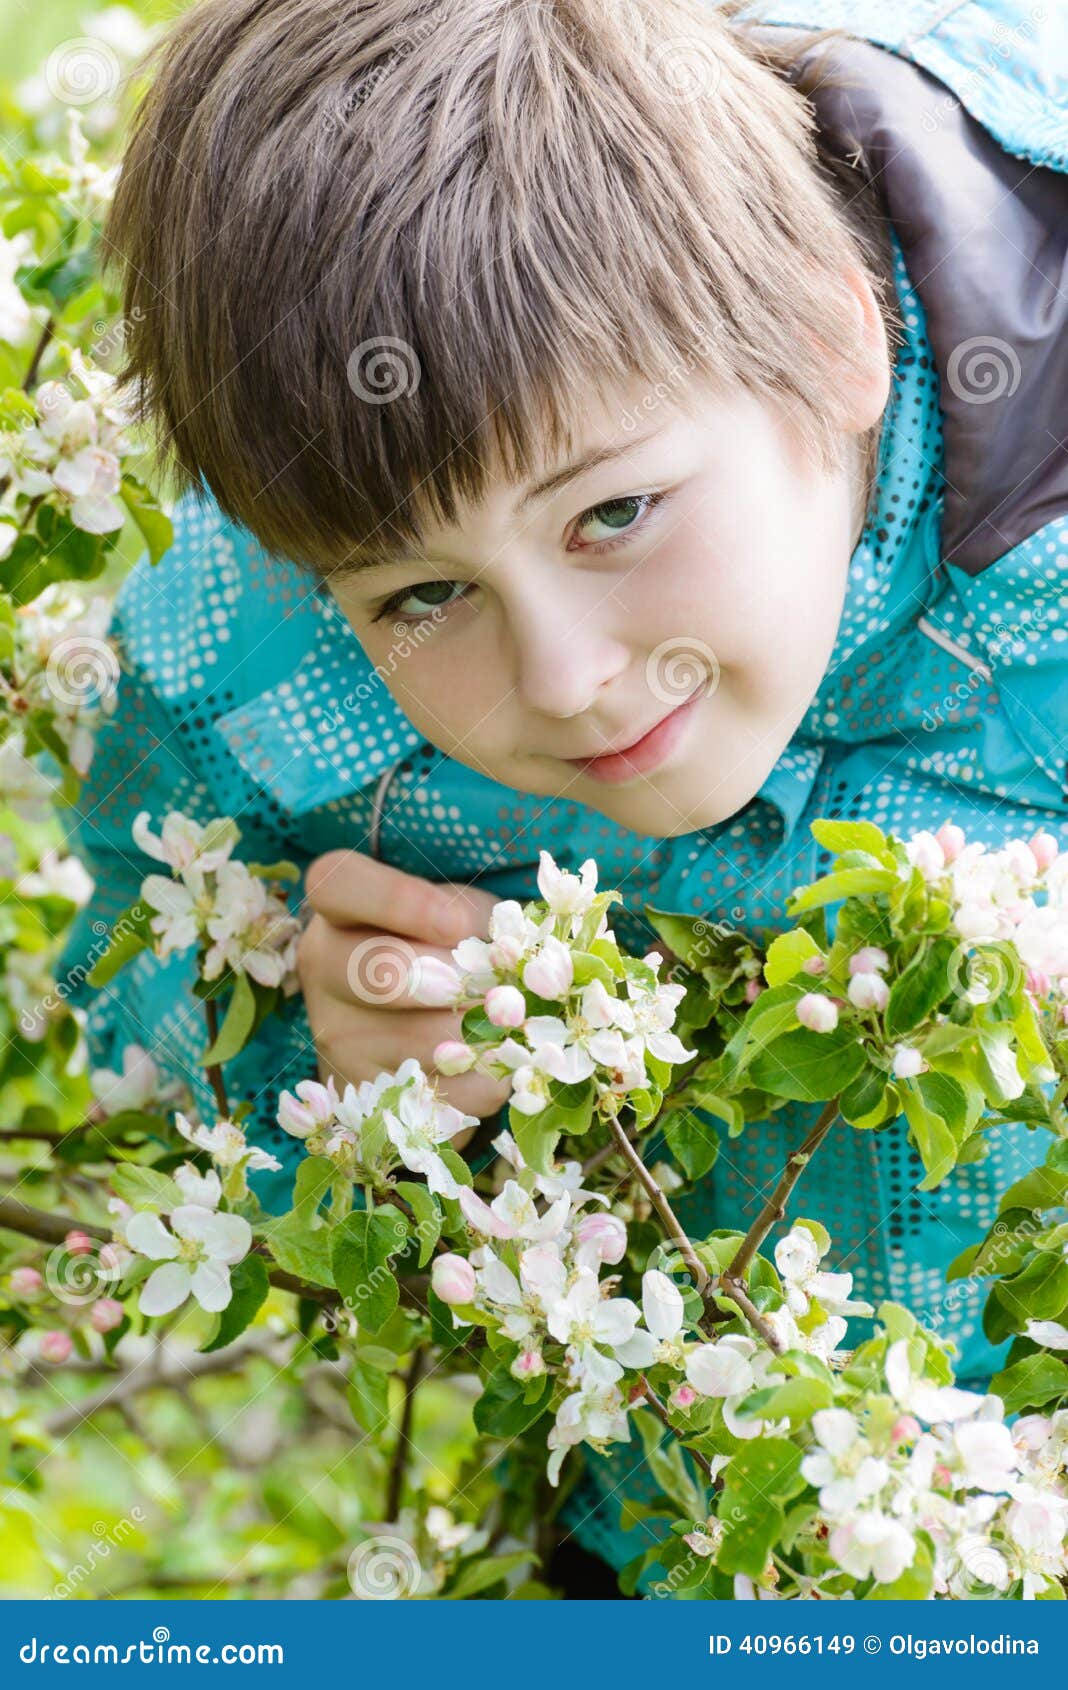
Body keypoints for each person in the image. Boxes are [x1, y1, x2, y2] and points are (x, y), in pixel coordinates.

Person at [60, 0, 1068, 1589]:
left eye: (612, 514)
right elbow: (127, 924)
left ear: (831, 334)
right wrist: (290, 1037)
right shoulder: (250, 644)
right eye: (422, 597)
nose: (565, 677)